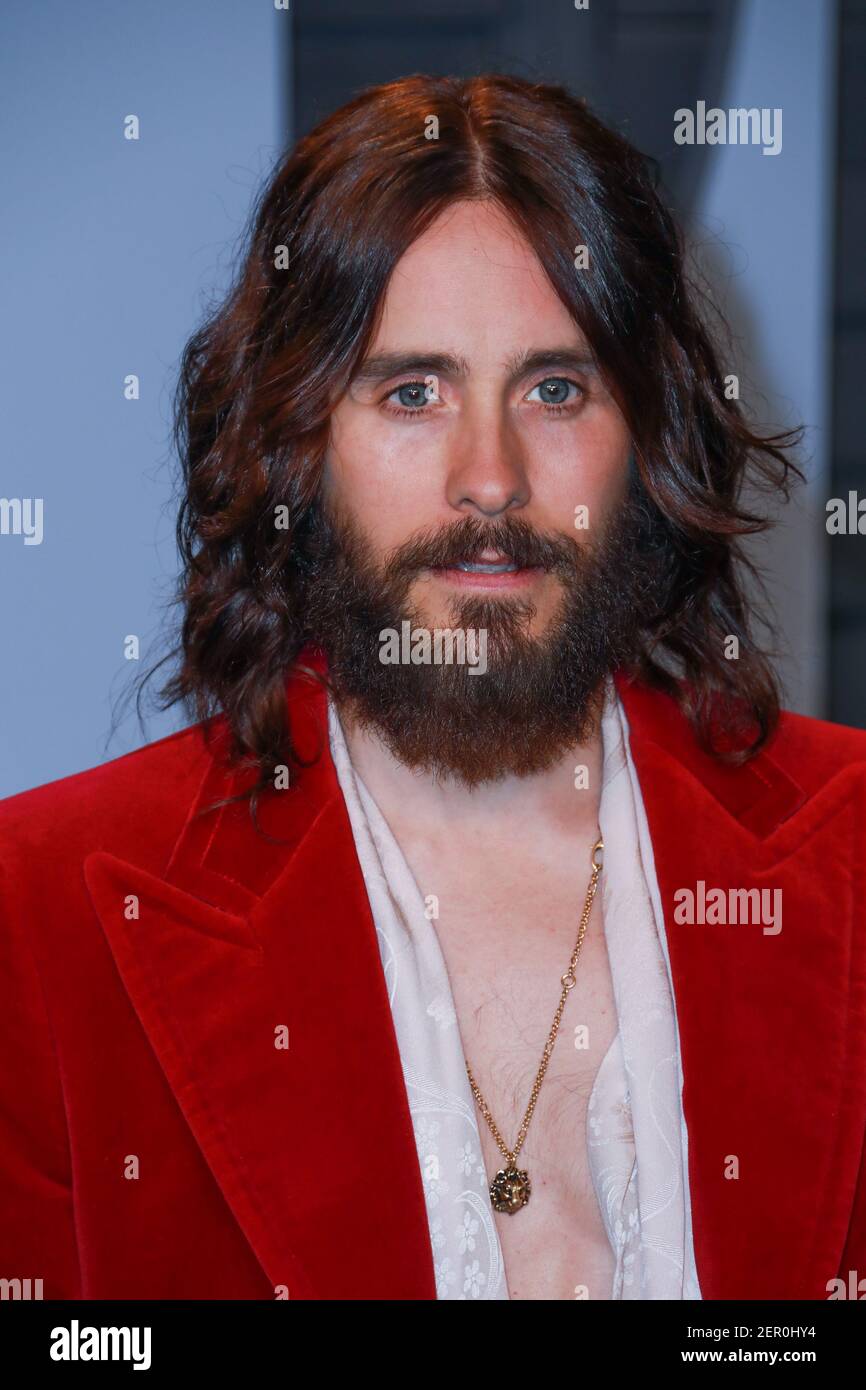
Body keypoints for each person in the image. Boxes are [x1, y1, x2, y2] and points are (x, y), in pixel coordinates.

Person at [2, 73, 865, 1303]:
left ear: (648, 435)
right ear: (297, 441)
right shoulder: (39, 915)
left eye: (554, 389)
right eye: (411, 391)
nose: (490, 478)